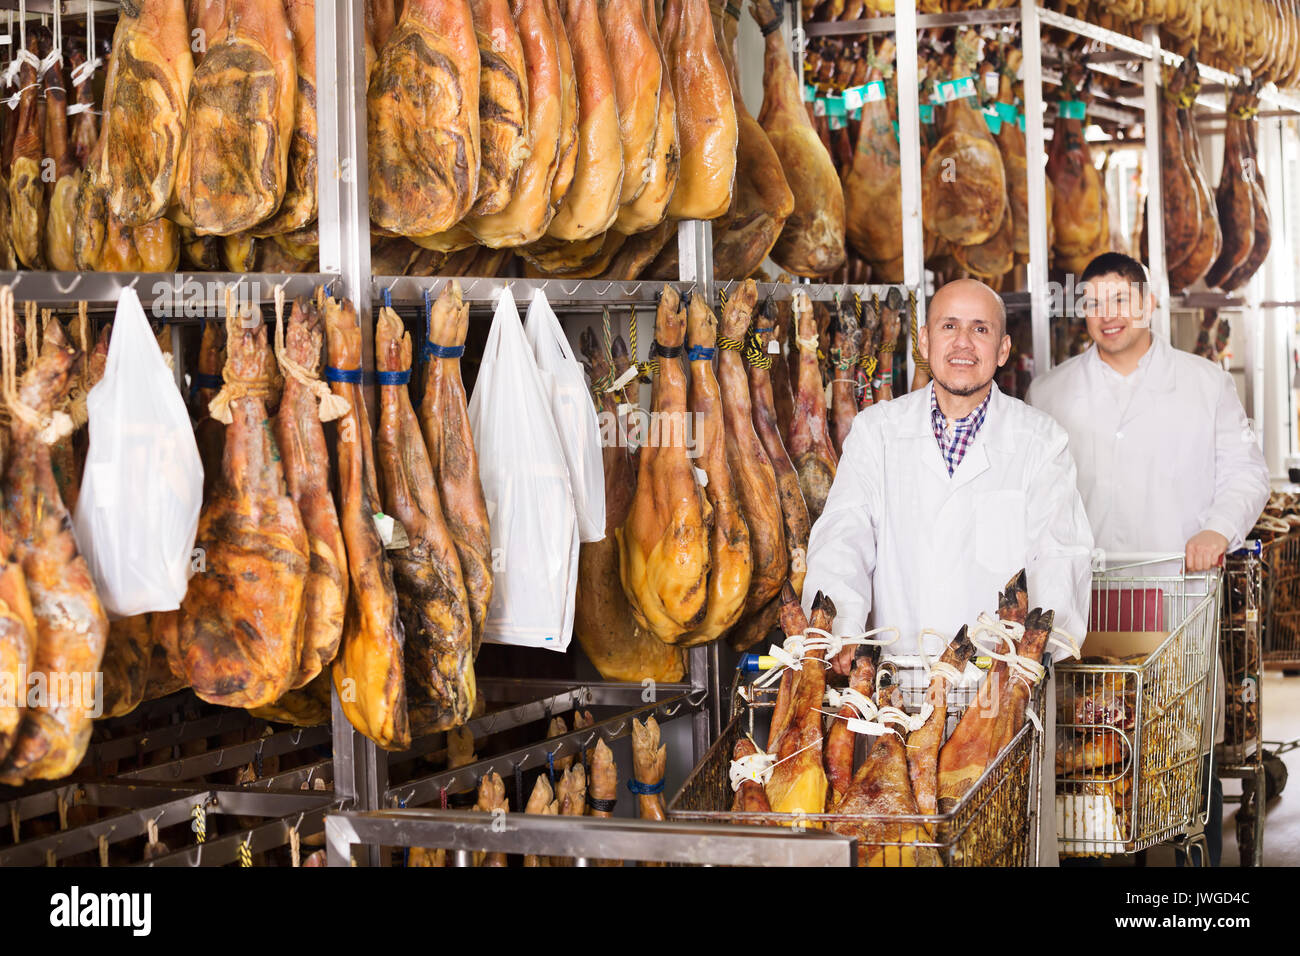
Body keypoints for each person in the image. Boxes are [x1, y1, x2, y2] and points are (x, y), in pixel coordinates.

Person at [803, 278, 1094, 866]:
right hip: (897, 689)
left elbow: (1061, 553)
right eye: (949, 327)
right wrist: (836, 629)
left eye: (981, 329)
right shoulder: (878, 432)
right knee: (904, 849)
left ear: (1004, 349)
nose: (964, 343)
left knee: (996, 848)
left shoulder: (1040, 441)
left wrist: (1029, 656)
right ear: (924, 340)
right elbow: (843, 535)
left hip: (996, 692)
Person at [1027, 251, 1270, 867]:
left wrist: (1218, 529)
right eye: (1095, 302)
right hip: (1085, 606)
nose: (1109, 316)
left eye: (1121, 300)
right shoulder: (1049, 392)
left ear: (1148, 302)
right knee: (1091, 754)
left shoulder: (1205, 381)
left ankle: (1198, 880)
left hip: (1175, 601)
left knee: (1183, 749)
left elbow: (1247, 472)